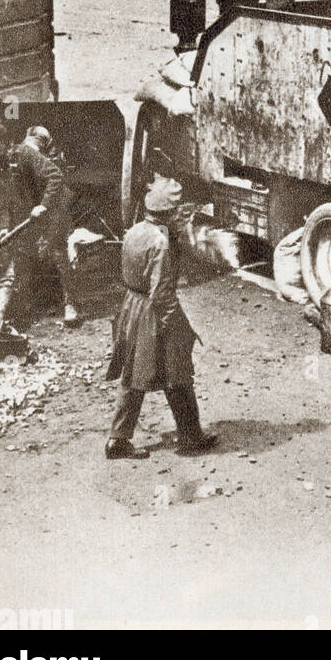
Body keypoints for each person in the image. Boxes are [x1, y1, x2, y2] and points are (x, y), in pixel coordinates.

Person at [105, 176, 219, 460]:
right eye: (181, 211)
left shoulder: (134, 232)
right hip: (155, 310)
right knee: (177, 369)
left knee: (135, 372)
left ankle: (119, 438)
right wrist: (176, 326)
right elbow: (162, 291)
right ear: (171, 212)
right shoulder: (161, 243)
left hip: (132, 305)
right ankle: (189, 436)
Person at [0, 124, 80, 329]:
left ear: (3, 145)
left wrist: (44, 205)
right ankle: (18, 307)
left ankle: (71, 304)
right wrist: (5, 226)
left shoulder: (25, 153)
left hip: (53, 207)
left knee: (57, 253)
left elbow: (55, 177)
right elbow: (5, 200)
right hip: (30, 212)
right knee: (20, 256)